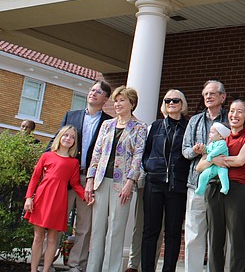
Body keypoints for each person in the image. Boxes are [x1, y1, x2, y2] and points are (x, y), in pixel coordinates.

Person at [85, 86, 147, 272]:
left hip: (122, 185)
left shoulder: (140, 127)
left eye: (122, 100)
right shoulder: (107, 125)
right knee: (97, 229)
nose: (117, 104)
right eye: (116, 100)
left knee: (116, 230)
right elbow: (96, 153)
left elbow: (138, 157)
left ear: (132, 103)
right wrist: (90, 179)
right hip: (101, 181)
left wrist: (130, 182)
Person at [53, 80, 112, 272]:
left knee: (84, 227)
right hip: (65, 177)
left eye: (99, 92)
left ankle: (76, 265)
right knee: (56, 221)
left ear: (105, 99)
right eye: (92, 90)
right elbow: (56, 143)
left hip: (90, 179)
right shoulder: (72, 116)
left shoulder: (108, 122)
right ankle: (46, 262)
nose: (93, 93)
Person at [198, 98, 245, 272]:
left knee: (236, 238)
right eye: (232, 111)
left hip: (237, 189)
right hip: (213, 188)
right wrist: (212, 160)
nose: (235, 115)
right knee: (215, 238)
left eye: (240, 111)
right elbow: (199, 167)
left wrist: (214, 160)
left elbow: (241, 160)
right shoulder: (219, 137)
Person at [25, 125, 91, 272]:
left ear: (75, 142)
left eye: (72, 137)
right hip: (43, 197)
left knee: (53, 238)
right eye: (66, 135)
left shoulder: (73, 162)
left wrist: (85, 196)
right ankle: (33, 269)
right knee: (38, 237)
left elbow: (75, 183)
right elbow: (35, 178)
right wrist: (29, 197)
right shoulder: (46, 155)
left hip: (59, 201)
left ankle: (46, 269)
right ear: (60, 137)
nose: (68, 138)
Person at [140, 89, 190, 272]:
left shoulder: (188, 127)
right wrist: (150, 167)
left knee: (173, 232)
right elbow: (146, 152)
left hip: (177, 185)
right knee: (150, 231)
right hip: (155, 183)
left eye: (175, 100)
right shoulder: (156, 126)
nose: (171, 103)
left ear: (182, 104)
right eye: (167, 100)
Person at [182, 80, 229, 272]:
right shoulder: (195, 121)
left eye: (212, 94)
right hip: (196, 184)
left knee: (219, 236)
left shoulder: (231, 119)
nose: (208, 97)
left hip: (221, 185)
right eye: (205, 94)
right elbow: (184, 151)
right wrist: (196, 150)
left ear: (222, 97)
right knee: (194, 234)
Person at [196, 122, 231, 195]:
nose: (210, 134)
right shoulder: (212, 143)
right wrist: (203, 149)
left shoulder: (222, 143)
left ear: (221, 136)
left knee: (223, 174)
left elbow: (217, 151)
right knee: (203, 175)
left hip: (221, 165)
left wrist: (210, 156)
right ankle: (201, 188)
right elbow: (208, 150)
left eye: (212, 132)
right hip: (213, 166)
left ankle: (225, 187)